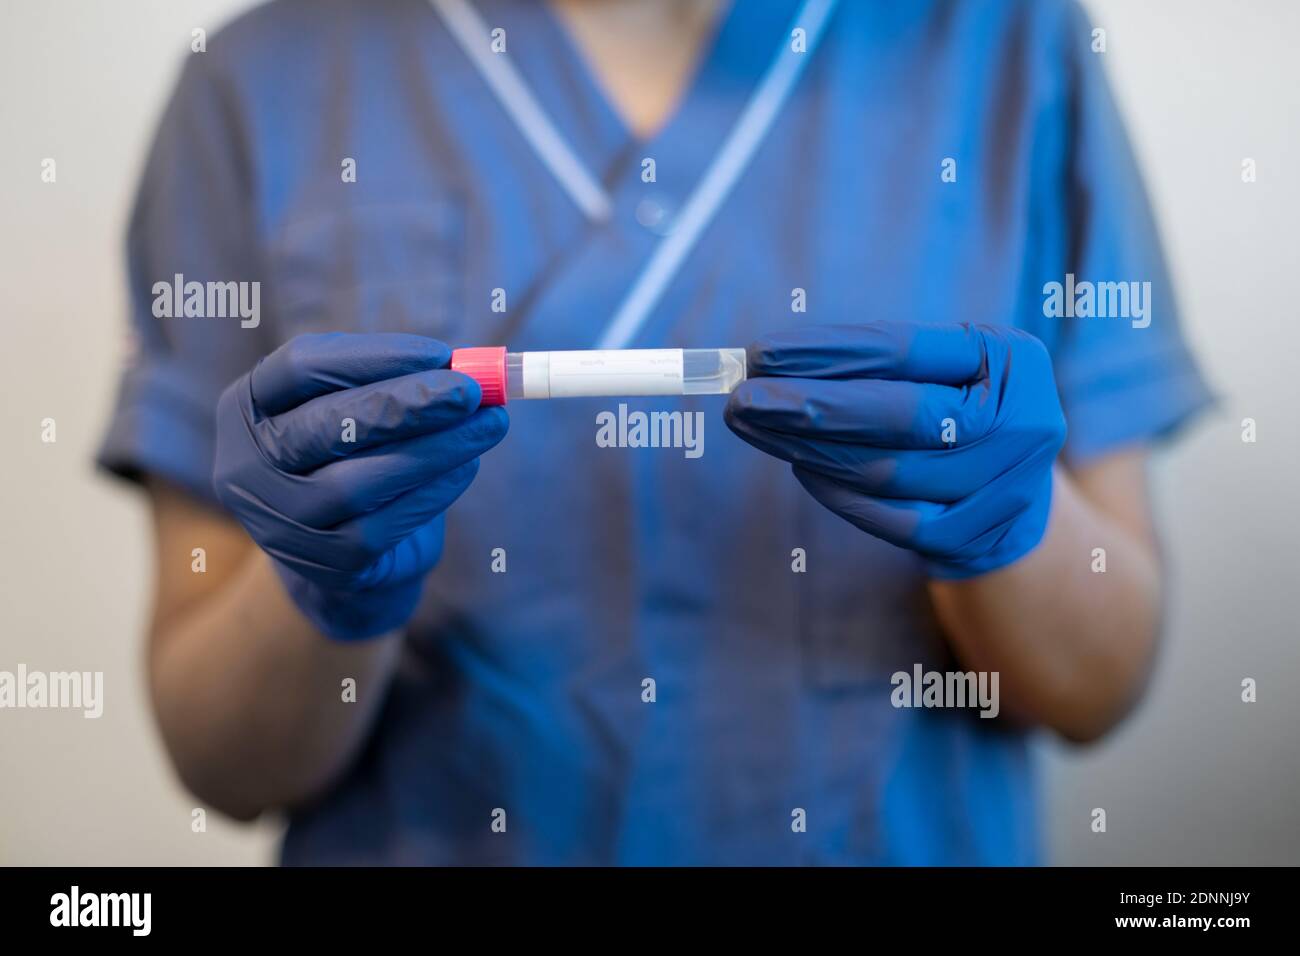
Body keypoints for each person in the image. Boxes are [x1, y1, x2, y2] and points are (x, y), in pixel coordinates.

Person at [98, 0, 1211, 865]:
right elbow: (223, 759)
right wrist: (318, 592)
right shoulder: (260, 82)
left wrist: (1014, 528)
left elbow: (1096, 684)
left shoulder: (1005, 47)